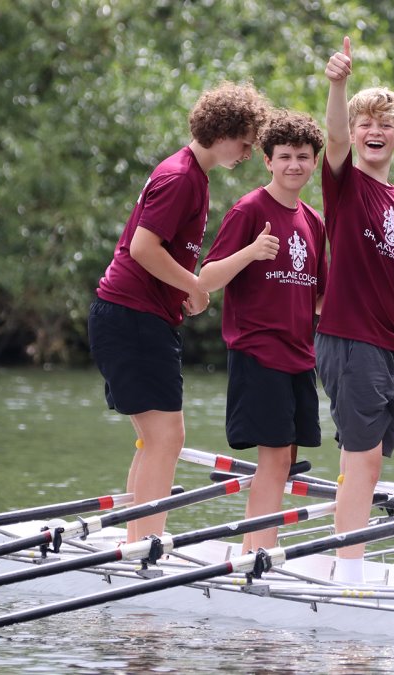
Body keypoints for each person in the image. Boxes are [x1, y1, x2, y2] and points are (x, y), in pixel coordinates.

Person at [89, 82, 271, 543]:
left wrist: (181, 288)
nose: (248, 153)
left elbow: (157, 253)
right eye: (245, 142)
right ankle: (144, 546)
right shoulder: (181, 177)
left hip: (135, 315)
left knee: (157, 439)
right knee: (167, 437)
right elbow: (142, 248)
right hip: (131, 316)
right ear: (223, 132)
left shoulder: (192, 174)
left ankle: (135, 542)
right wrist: (193, 285)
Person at [319, 36, 394, 582]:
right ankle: (348, 574)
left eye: (385, 124)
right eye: (366, 123)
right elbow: (335, 136)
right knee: (362, 459)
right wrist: (339, 85)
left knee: (367, 459)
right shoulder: (346, 184)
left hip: (389, 346)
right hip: (349, 337)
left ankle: (346, 559)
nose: (374, 131)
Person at [197, 110, 328, 553]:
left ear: (314, 162)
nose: (295, 164)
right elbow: (206, 278)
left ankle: (257, 549)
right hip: (258, 352)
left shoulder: (314, 222)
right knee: (273, 460)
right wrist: (251, 253)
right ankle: (258, 556)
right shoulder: (250, 210)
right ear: (268, 161)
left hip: (299, 357)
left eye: (303, 157)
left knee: (285, 461)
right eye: (285, 156)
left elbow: (318, 298)